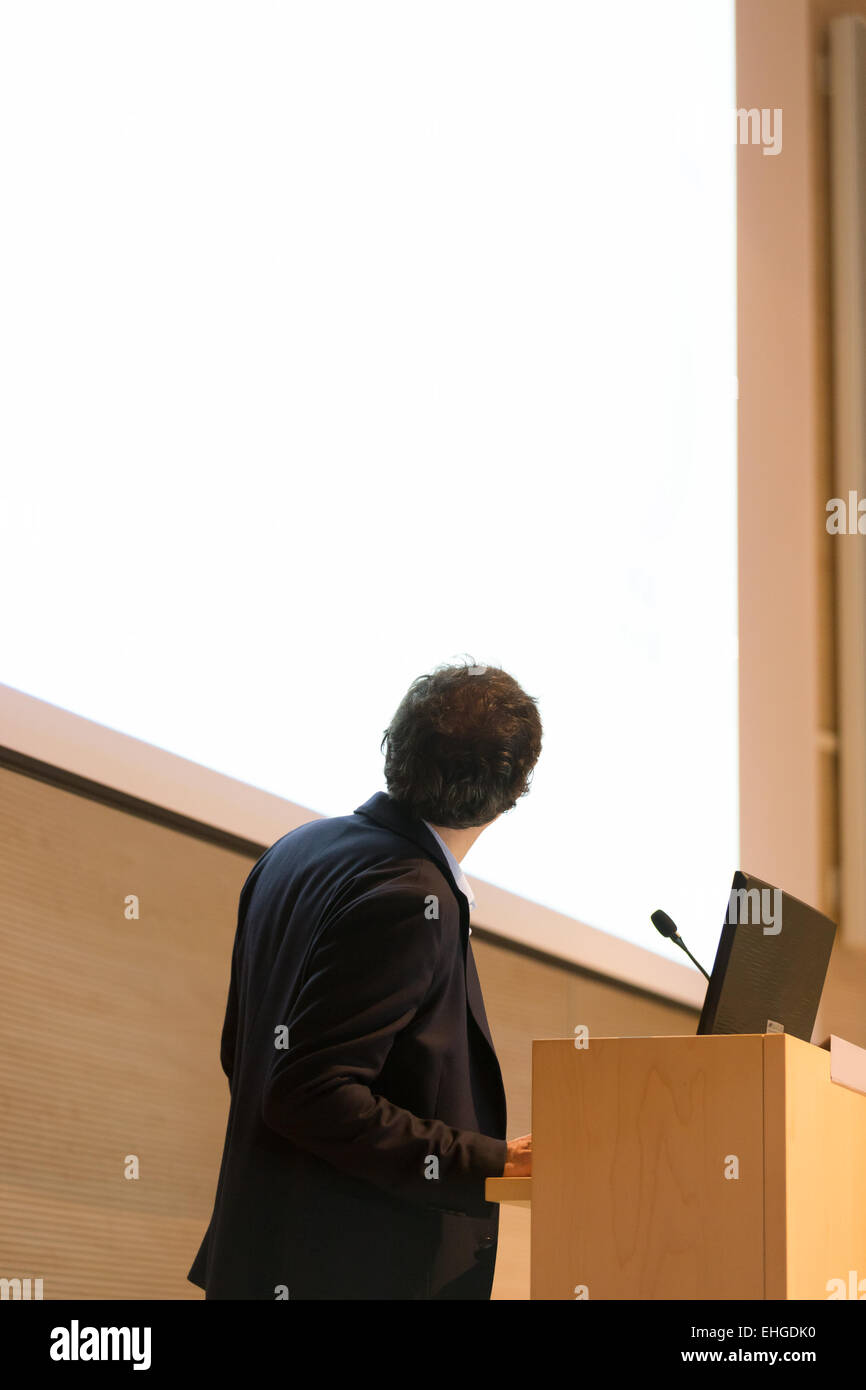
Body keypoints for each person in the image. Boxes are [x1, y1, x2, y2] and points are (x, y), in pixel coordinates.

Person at [187, 659, 542, 1299]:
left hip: (267, 1260)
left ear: (395, 748)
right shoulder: (413, 894)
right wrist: (491, 1163)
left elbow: (243, 1056)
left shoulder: (292, 851)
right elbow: (308, 1092)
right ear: (515, 788)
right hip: (346, 1274)